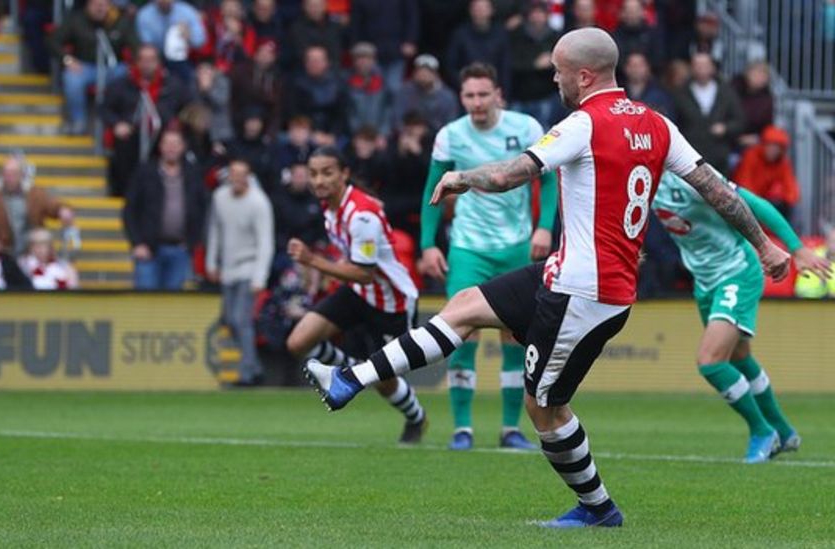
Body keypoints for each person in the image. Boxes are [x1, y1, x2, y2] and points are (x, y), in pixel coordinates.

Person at [304, 27, 792, 528]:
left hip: (586, 293)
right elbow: (719, 191)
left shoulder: (582, 123)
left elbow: (510, 175)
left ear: (583, 75)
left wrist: (460, 178)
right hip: (569, 274)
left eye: (558, 70)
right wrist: (764, 245)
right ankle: (350, 379)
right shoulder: (657, 124)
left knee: (546, 410)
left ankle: (598, 508)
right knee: (465, 305)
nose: (554, 78)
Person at [419, 62, 558, 451]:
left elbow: (548, 179)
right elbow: (433, 190)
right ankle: (462, 428)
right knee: (462, 333)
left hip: (516, 246)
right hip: (468, 248)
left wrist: (545, 226)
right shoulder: (450, 136)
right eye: (469, 96)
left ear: (498, 94)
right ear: (461, 98)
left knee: (518, 337)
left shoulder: (526, 127)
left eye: (483, 94)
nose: (477, 103)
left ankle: (510, 429)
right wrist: (428, 244)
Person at [652, 172, 830, 461]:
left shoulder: (688, 175)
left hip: (736, 271)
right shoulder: (641, 182)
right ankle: (784, 431)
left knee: (710, 361)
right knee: (738, 357)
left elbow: (754, 204)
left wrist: (796, 249)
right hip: (705, 280)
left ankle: (762, 430)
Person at [288, 146, 428, 443]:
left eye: (327, 172)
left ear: (344, 174)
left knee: (384, 381)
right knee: (298, 342)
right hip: (358, 291)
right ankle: (348, 371)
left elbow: (365, 271)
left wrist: (313, 261)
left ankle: (417, 418)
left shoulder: (362, 215)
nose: (319, 180)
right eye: (313, 174)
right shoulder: (330, 207)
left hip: (392, 302)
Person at [206, 158, 274, 386]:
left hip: (249, 266)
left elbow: (265, 241)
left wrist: (259, 276)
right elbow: (216, 231)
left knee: (240, 320)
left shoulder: (258, 202)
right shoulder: (220, 198)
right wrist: (211, 263)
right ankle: (254, 368)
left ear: (248, 177)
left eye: (241, 174)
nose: (236, 178)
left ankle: (247, 374)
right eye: (233, 173)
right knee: (230, 319)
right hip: (228, 269)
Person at [102, 44, 192, 196]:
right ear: (136, 62)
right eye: (143, 60)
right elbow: (105, 109)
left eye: (151, 60)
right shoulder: (121, 85)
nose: (147, 64)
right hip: (131, 134)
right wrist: (116, 124)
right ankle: (125, 191)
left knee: (175, 144)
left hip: (162, 133)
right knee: (123, 146)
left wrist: (178, 124)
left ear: (158, 62)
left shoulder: (173, 85)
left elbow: (189, 106)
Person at [122, 127, 207, 290]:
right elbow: (130, 210)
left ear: (183, 147)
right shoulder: (145, 172)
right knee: (145, 303)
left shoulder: (193, 173)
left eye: (176, 144)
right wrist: (137, 243)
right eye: (167, 144)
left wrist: (193, 241)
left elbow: (201, 209)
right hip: (148, 250)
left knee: (172, 307)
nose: (171, 148)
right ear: (160, 146)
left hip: (180, 250)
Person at [51, 0, 139, 134]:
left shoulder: (120, 22)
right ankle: (78, 121)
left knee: (125, 76)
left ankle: (121, 120)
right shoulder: (76, 20)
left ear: (110, 6)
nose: (100, 9)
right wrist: (67, 60)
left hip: (113, 68)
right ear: (88, 5)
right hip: (84, 67)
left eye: (103, 5)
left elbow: (136, 47)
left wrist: (134, 63)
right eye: (96, 5)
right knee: (71, 79)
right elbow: (53, 41)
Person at [0, 155, 76, 255]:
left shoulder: (34, 193)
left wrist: (62, 209)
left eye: (13, 174)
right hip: (3, 248)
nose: (9, 178)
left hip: (31, 249)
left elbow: (50, 204)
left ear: (21, 175)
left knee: (42, 238)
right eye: (6, 174)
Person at [672, 52, 745, 175]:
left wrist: (725, 128)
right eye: (697, 65)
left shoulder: (726, 92)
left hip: (719, 156)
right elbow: (673, 122)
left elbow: (740, 121)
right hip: (690, 158)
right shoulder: (680, 93)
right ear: (691, 68)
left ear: (712, 67)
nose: (701, 69)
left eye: (705, 65)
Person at [506, 1, 562, 130]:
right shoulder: (517, 35)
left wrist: (551, 62)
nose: (537, 17)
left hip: (545, 96)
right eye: (534, 13)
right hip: (520, 96)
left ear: (547, 15)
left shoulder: (555, 36)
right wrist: (534, 65)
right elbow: (511, 63)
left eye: (540, 13)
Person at [349, 0, 419, 99]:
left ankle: (394, 114)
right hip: (370, 52)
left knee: (394, 88)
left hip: (397, 49)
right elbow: (356, 23)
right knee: (374, 90)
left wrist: (410, 41)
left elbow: (411, 17)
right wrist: (357, 48)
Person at [731, 126, 800, 221]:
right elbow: (744, 184)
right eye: (770, 145)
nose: (773, 150)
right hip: (748, 201)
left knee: (784, 206)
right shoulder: (751, 156)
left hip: (767, 202)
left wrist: (781, 196)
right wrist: (760, 202)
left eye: (777, 147)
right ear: (764, 145)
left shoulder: (783, 163)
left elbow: (792, 190)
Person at [284, 46, 349, 144]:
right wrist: (311, 133)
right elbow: (292, 112)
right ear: (305, 63)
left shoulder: (338, 84)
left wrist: (332, 135)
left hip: (332, 134)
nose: (314, 64)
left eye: (318, 61)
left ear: (326, 63)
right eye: (310, 60)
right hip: (303, 132)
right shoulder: (295, 84)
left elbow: (342, 115)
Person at [445, 0, 511, 96]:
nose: (480, 11)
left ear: (491, 11)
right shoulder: (460, 34)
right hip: (466, 91)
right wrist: (465, 85)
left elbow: (505, 67)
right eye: (476, 8)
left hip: (493, 90)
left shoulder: (500, 34)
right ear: (470, 11)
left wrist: (503, 93)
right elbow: (451, 65)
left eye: (483, 8)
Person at [134, 0, 207, 85]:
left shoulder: (187, 11)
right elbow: (147, 46)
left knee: (192, 76)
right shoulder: (144, 15)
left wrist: (189, 36)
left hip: (183, 60)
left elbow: (201, 41)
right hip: (157, 58)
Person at [393, 54, 459, 134]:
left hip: (436, 138)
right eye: (420, 71)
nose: (423, 75)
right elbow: (397, 118)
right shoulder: (405, 91)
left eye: (427, 72)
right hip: (407, 135)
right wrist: (407, 133)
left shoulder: (447, 97)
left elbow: (450, 126)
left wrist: (426, 132)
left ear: (436, 74)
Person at [345, 42, 391, 138]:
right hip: (355, 136)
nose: (363, 62)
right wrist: (359, 135)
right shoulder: (347, 83)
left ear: (374, 60)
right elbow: (348, 113)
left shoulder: (383, 83)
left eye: (367, 58)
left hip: (379, 136)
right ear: (354, 61)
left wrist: (382, 134)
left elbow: (388, 111)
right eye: (359, 58)